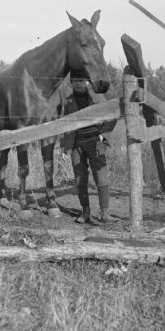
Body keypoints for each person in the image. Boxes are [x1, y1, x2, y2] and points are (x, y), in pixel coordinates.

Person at [61, 75, 117, 223]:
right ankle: (85, 212)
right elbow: (63, 123)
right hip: (76, 144)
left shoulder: (98, 98)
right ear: (71, 83)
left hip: (95, 142)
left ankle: (105, 213)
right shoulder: (67, 101)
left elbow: (112, 115)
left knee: (101, 177)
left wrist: (103, 134)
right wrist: (65, 146)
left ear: (87, 82)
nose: (78, 84)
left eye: (81, 81)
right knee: (80, 179)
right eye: (75, 81)